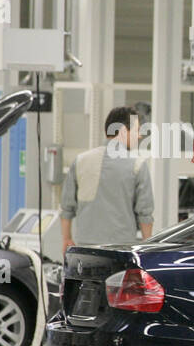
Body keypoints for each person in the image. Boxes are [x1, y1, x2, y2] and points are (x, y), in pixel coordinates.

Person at [60, 105, 155, 251]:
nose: (140, 136)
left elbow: (66, 207)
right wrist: (147, 248)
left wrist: (66, 239)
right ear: (124, 131)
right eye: (136, 130)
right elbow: (145, 214)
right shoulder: (138, 165)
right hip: (121, 250)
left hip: (85, 249)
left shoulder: (80, 161)